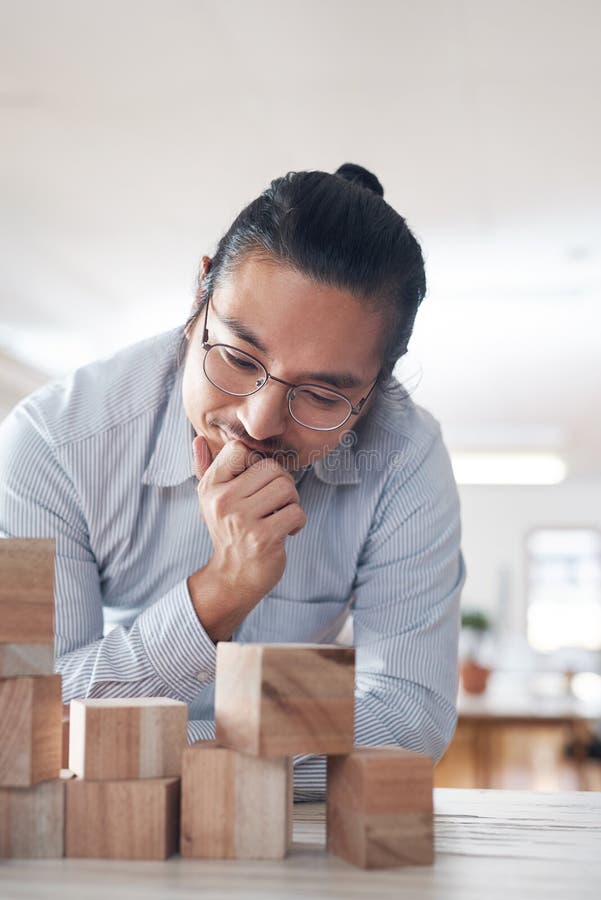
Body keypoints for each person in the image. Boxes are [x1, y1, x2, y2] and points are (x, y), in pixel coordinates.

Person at [0, 163, 465, 799]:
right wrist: (219, 593)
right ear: (200, 295)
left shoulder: (406, 457)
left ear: (378, 385)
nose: (258, 421)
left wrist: (166, 753)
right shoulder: (55, 443)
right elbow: (25, 718)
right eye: (240, 359)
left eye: (323, 394)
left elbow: (409, 722)